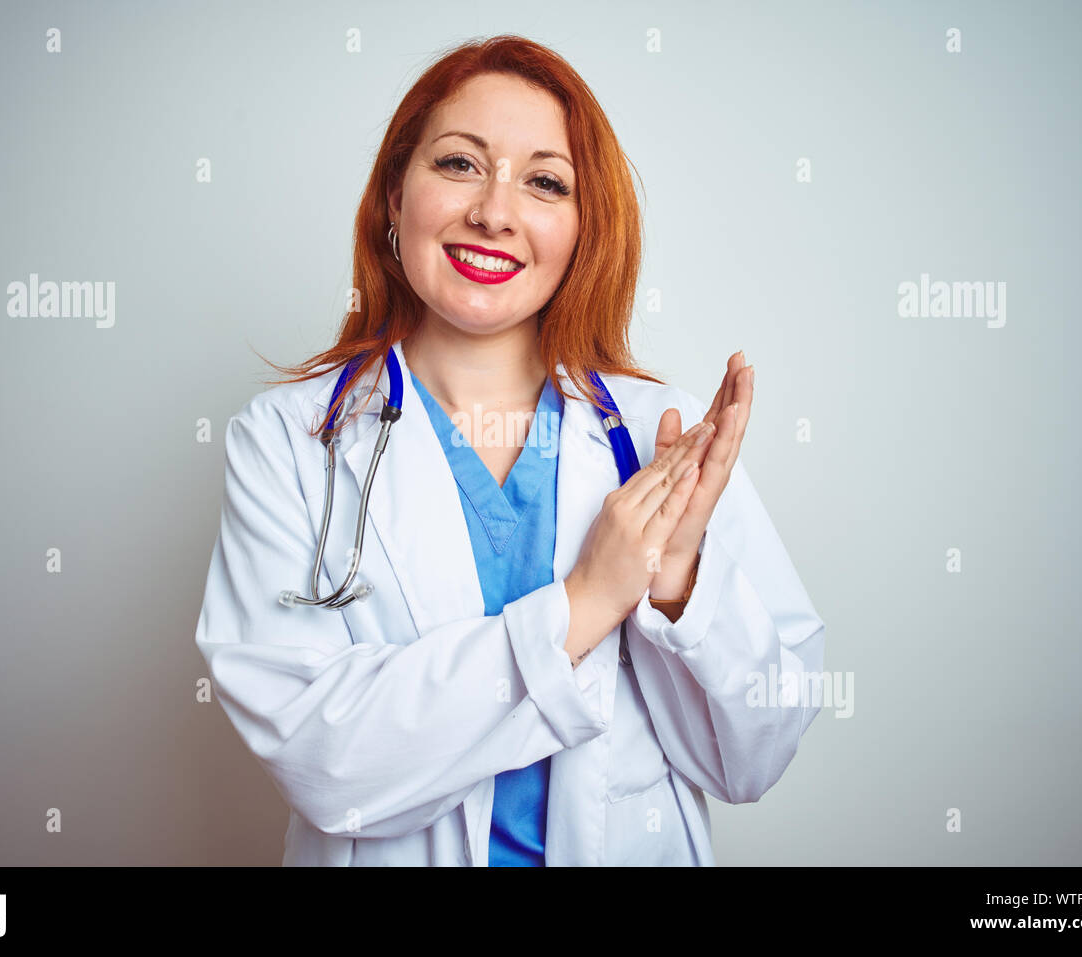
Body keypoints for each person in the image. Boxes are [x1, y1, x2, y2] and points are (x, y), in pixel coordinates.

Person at [194, 35, 826, 866]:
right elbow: (324, 763)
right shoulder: (289, 440)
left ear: (582, 227)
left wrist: (677, 587)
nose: (495, 210)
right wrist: (587, 603)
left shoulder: (660, 440)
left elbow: (753, 758)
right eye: (459, 164)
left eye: (544, 181)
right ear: (394, 192)